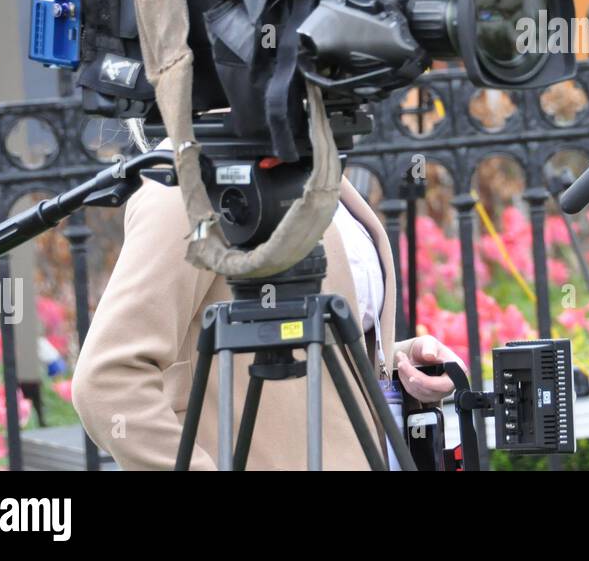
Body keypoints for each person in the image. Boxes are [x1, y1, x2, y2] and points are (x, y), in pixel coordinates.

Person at [71, 158, 465, 470]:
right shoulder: (190, 186)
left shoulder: (313, 161)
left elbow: (309, 341)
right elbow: (107, 380)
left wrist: (401, 361)